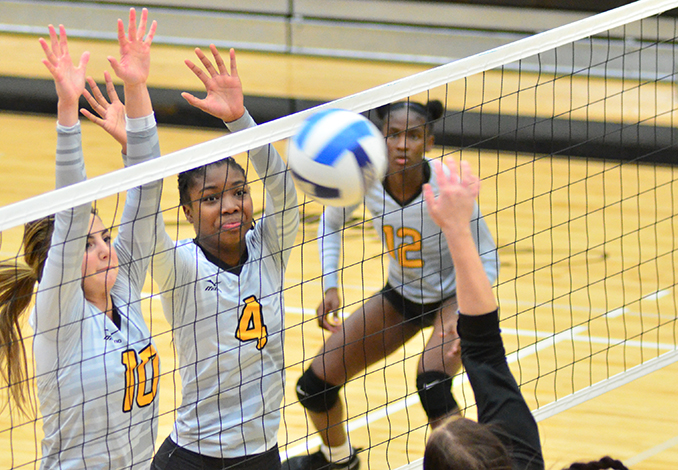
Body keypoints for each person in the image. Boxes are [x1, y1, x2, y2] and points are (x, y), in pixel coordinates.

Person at [0, 11, 163, 469]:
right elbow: (72, 213)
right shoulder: (57, 314)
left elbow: (148, 190)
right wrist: (68, 112)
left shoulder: (123, 292)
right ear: (56, 263)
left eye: (103, 237)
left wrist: (138, 96)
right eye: (88, 245)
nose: (105, 248)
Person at [284, 100, 500, 470]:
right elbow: (330, 222)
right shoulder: (366, 180)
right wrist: (330, 284)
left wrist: (465, 316)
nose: (402, 144)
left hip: (452, 298)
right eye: (393, 135)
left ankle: (468, 466)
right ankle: (339, 460)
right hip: (401, 296)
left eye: (413, 135)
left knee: (432, 385)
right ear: (380, 140)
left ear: (428, 142)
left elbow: (488, 258)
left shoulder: (445, 187)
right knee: (313, 387)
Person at [148, 45, 300, 469]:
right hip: (195, 455)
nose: (231, 205)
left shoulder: (269, 249)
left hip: (260, 454)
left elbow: (283, 190)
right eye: (212, 198)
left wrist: (240, 122)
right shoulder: (179, 266)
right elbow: (144, 227)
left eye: (239, 192)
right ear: (188, 212)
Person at [419, 157, 544, 470]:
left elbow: (485, 350)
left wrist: (455, 227)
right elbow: (486, 350)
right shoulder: (522, 455)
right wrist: (458, 228)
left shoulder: (524, 458)